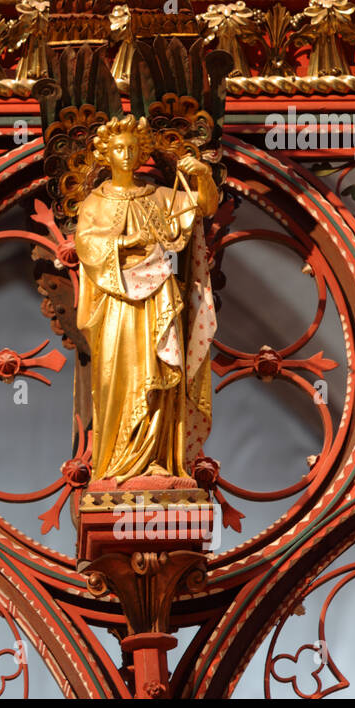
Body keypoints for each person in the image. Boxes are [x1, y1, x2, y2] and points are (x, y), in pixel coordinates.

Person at [74, 115, 218, 484]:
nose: (125, 154)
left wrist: (201, 173)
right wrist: (125, 243)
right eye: (118, 148)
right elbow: (87, 246)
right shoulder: (95, 202)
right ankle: (116, 463)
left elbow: (204, 207)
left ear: (141, 154)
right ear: (106, 154)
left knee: (161, 373)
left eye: (132, 148)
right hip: (117, 305)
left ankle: (158, 461)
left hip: (159, 297)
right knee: (120, 378)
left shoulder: (161, 197)